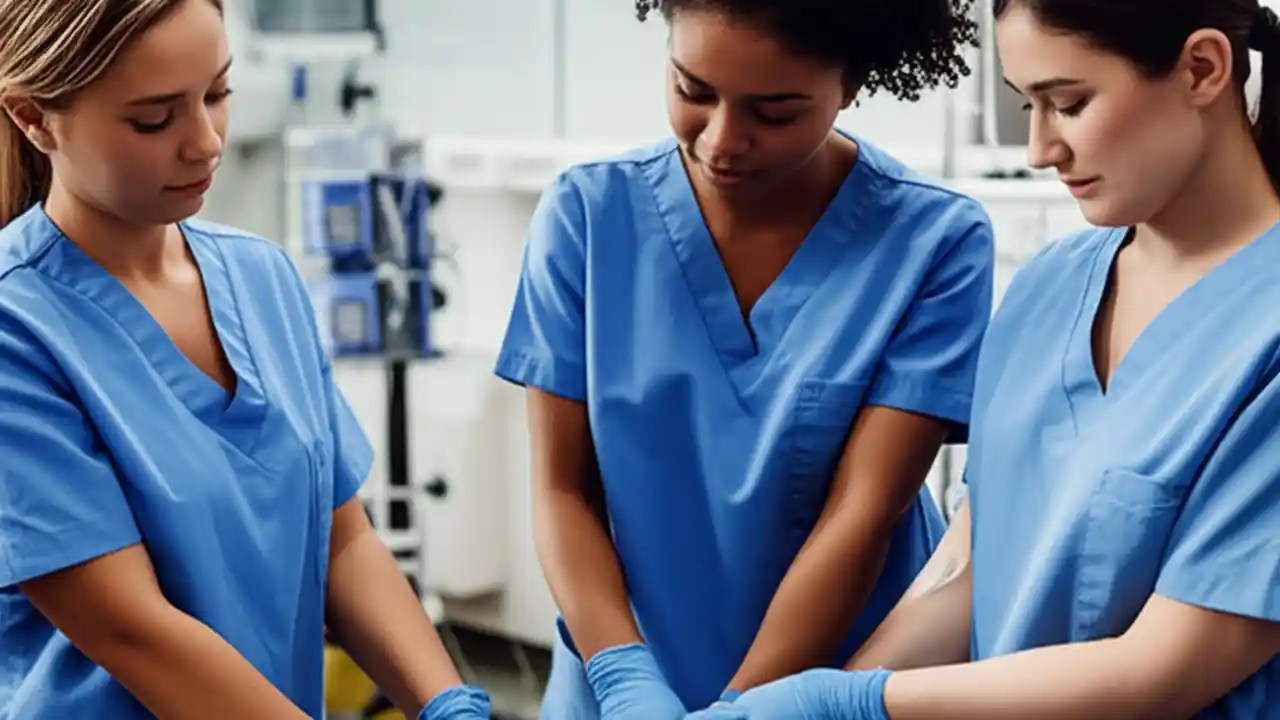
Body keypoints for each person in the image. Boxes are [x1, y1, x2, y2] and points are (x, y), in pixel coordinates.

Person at [689, 1, 1280, 718]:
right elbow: (969, 569)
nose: (1039, 149)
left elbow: (1166, 670)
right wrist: (807, 705)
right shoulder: (1048, 287)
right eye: (1026, 104)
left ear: (1202, 69)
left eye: (1068, 103)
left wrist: (851, 703)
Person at [494, 0, 993, 716]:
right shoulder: (586, 217)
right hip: (620, 677)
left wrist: (745, 705)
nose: (723, 140)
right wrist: (621, 674)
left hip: (829, 683)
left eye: (777, 112)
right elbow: (561, 490)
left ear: (851, 86)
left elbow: (863, 513)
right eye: (693, 91)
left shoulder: (933, 243)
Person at [0, 1, 489, 718]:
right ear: (35, 118)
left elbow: (343, 540)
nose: (205, 144)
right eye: (154, 119)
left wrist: (444, 699)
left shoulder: (263, 279)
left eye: (217, 94)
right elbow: (132, 631)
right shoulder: (20, 329)